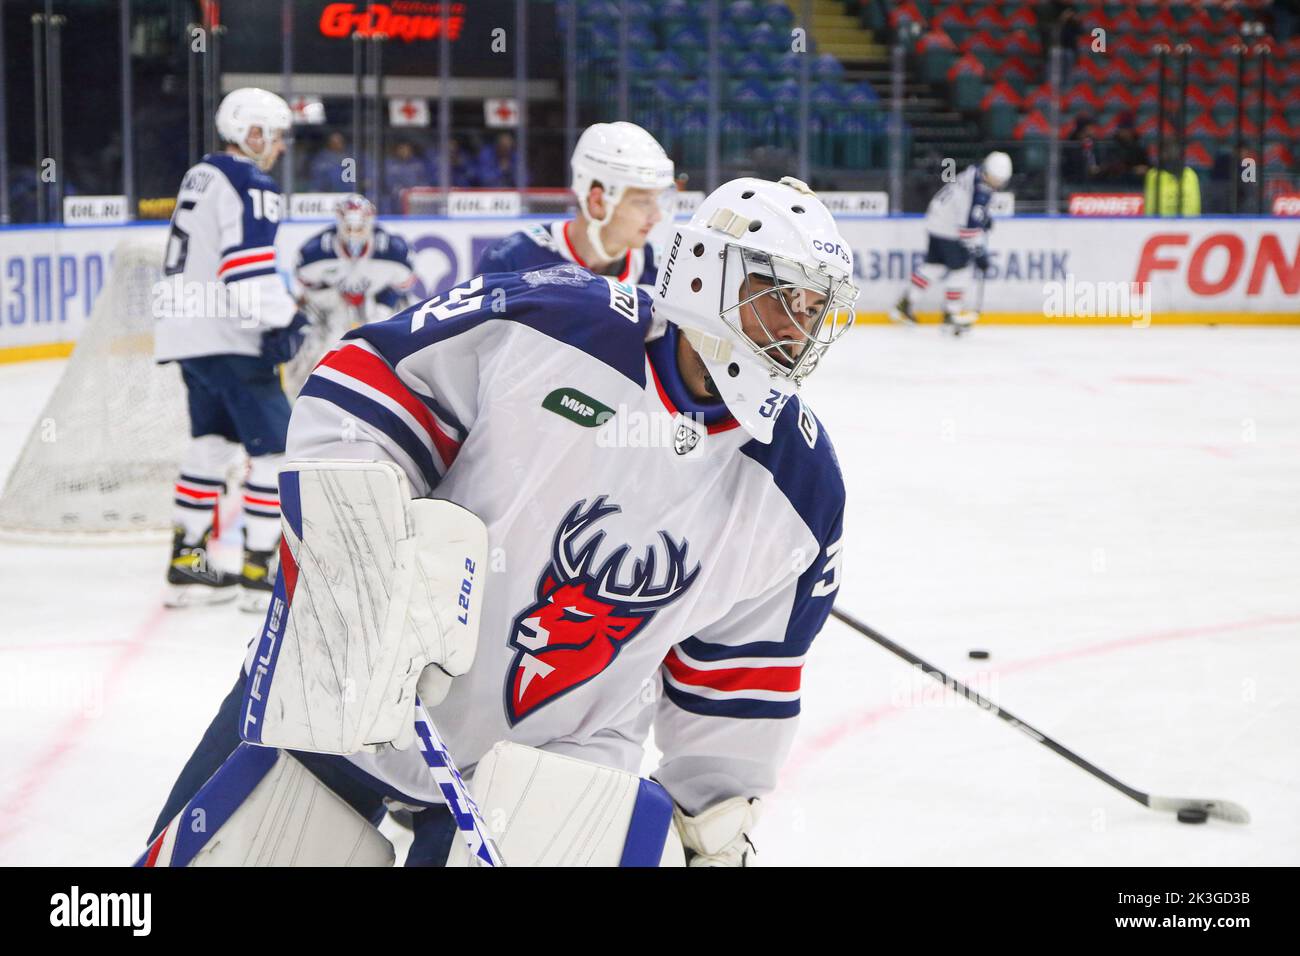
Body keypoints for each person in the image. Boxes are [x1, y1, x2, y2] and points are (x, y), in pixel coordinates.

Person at [141, 176, 858, 867]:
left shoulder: (802, 487)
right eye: (780, 299)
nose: (799, 329)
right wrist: (364, 567)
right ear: (707, 275)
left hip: (548, 759)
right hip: (345, 680)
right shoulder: (557, 321)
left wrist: (715, 822)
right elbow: (363, 387)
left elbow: (737, 685)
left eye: (812, 309)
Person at [153, 88, 308, 611]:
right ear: (252, 132)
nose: (280, 147)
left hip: (188, 335)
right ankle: (258, 571)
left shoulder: (199, 174)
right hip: (230, 337)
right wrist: (287, 318)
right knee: (275, 452)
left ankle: (188, 564)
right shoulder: (249, 180)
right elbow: (244, 272)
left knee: (210, 444)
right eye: (276, 135)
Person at [475, 122, 674, 289]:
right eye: (643, 202)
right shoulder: (511, 262)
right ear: (597, 202)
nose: (656, 216)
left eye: (657, 200)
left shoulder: (661, 272)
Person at [283, 194, 416, 395]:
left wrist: (380, 308)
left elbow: (401, 287)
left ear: (370, 223)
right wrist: (336, 302)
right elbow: (309, 287)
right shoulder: (315, 251)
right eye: (349, 227)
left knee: (400, 333)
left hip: (378, 300)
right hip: (331, 303)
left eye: (359, 227)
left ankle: (402, 389)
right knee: (322, 338)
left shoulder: (394, 251)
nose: (354, 234)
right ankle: (304, 391)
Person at [891, 151, 1012, 333]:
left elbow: (972, 215)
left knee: (934, 266)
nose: (997, 184)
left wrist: (982, 217)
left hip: (937, 221)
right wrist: (979, 253)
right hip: (950, 229)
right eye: (995, 179)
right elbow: (967, 230)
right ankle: (951, 315)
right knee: (961, 270)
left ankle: (905, 304)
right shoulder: (978, 191)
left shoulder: (974, 173)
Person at [1144, 141, 1200, 217]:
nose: (1171, 153)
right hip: (1160, 224)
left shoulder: (1190, 174)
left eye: (1174, 150)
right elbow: (1150, 206)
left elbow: (1195, 205)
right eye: (1166, 151)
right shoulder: (1153, 175)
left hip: (1187, 224)